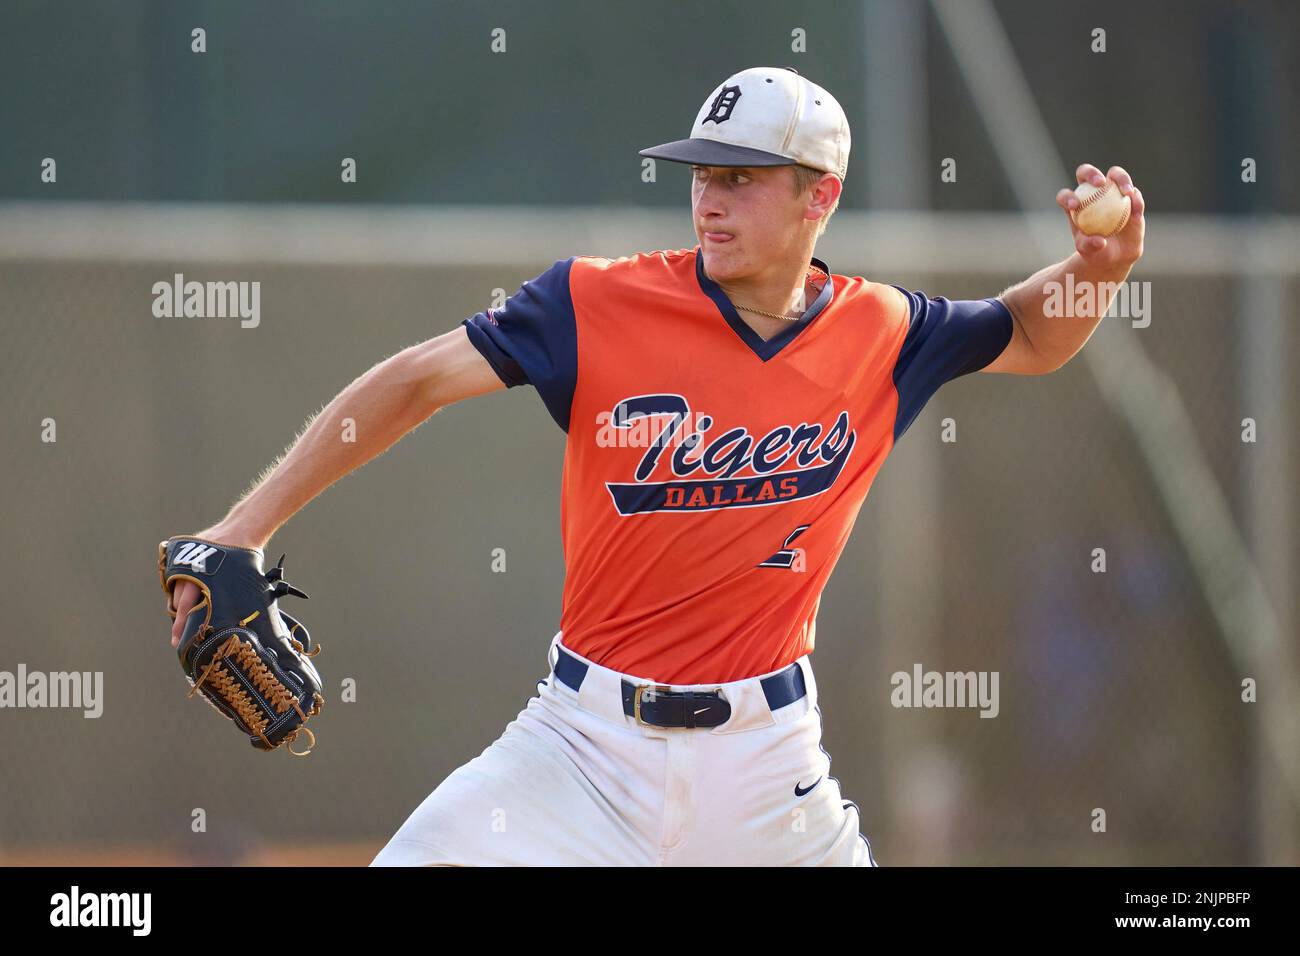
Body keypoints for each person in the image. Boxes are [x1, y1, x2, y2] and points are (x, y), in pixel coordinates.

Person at [165, 66, 1145, 866]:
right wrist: (243, 526)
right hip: (581, 749)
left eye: (742, 178)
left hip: (766, 773)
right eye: (700, 174)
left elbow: (1023, 332)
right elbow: (415, 381)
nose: (709, 201)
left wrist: (1092, 275)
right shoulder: (595, 304)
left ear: (822, 195)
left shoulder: (880, 332)